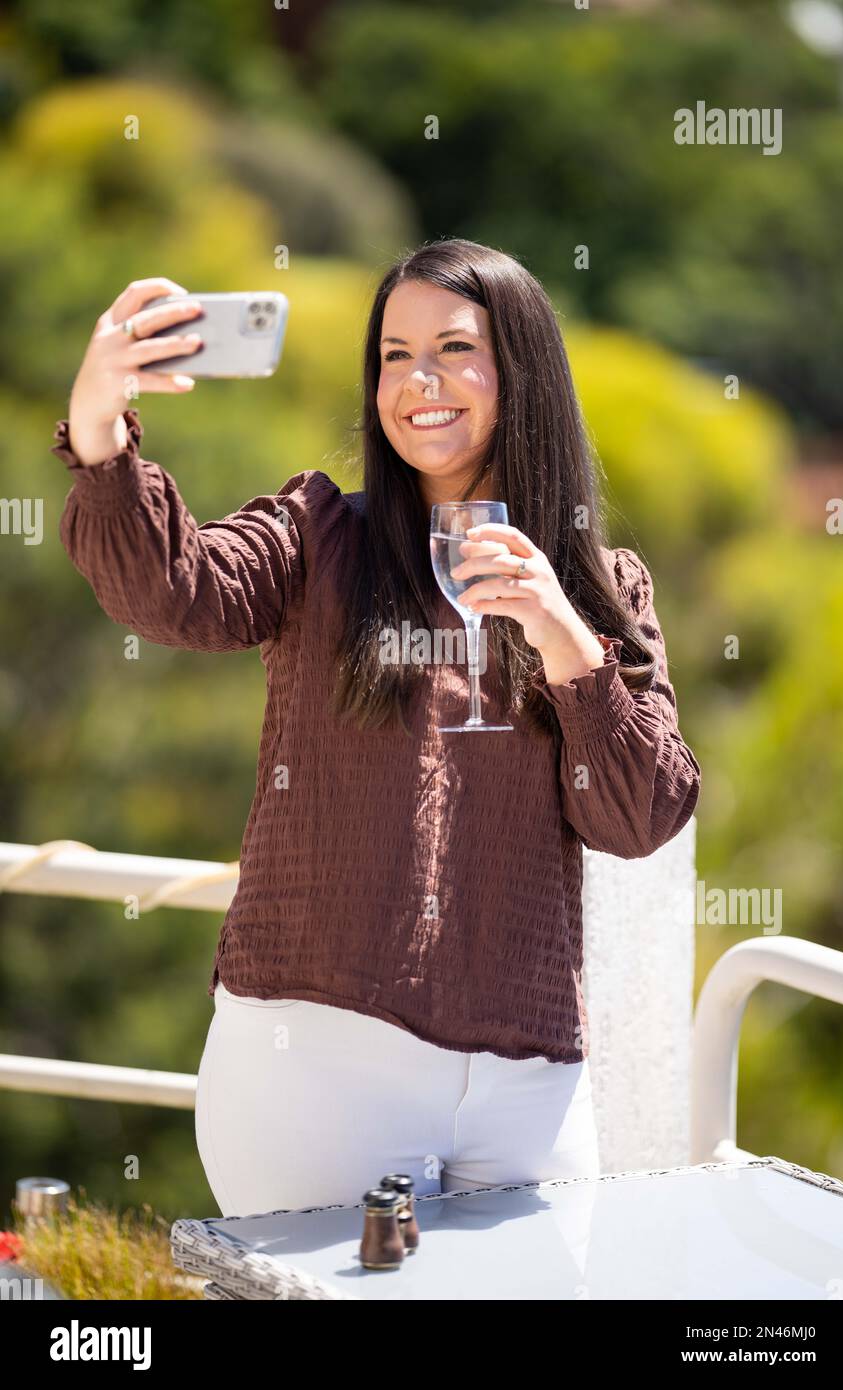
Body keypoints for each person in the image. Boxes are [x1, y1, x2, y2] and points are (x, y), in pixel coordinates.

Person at [52, 239, 701, 1217]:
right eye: (392, 355)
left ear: (520, 371)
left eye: (450, 348)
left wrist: (565, 640)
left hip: (528, 1086)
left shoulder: (605, 593)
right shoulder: (319, 534)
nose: (417, 382)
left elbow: (640, 817)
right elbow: (172, 594)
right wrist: (100, 424)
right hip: (318, 1060)